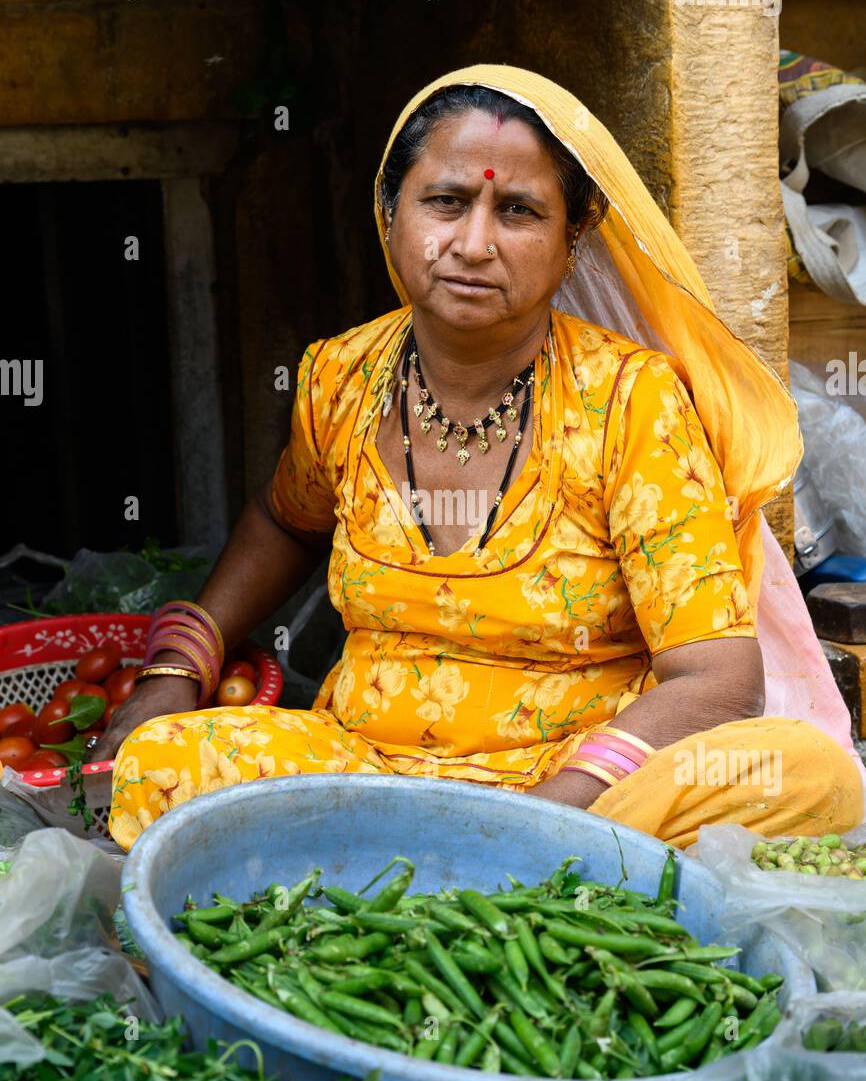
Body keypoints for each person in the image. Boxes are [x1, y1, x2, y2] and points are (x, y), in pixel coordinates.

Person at [95, 64, 863, 852]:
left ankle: (486, 875)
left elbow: (719, 679)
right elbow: (286, 519)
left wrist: (540, 819)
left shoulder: (632, 402)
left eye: (519, 211)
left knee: (802, 771)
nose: (473, 243)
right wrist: (181, 661)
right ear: (392, 214)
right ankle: (477, 880)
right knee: (164, 760)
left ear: (571, 241)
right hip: (368, 770)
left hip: (579, 793)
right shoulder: (339, 377)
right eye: (447, 202)